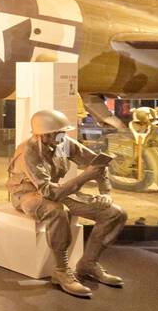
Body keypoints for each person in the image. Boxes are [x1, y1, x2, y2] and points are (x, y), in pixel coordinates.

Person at [7, 109, 127, 298]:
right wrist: (86, 176)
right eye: (58, 133)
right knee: (56, 210)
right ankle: (61, 270)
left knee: (114, 213)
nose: (62, 136)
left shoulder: (61, 143)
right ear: (43, 134)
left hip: (57, 190)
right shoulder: (28, 151)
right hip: (27, 194)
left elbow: (96, 162)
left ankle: (89, 263)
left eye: (62, 132)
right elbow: (48, 192)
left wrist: (105, 192)